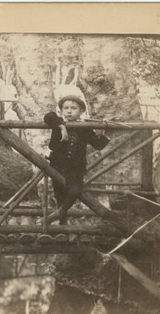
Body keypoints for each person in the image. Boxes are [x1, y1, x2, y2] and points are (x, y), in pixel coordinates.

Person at [44, 94, 110, 224]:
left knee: (75, 190)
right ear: (61, 110)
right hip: (57, 165)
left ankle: (58, 214)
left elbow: (98, 145)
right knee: (59, 195)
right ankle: (63, 223)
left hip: (75, 167)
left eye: (73, 108)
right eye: (66, 108)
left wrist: (102, 133)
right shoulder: (57, 123)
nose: (69, 111)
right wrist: (62, 127)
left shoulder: (85, 128)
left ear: (81, 111)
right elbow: (48, 116)